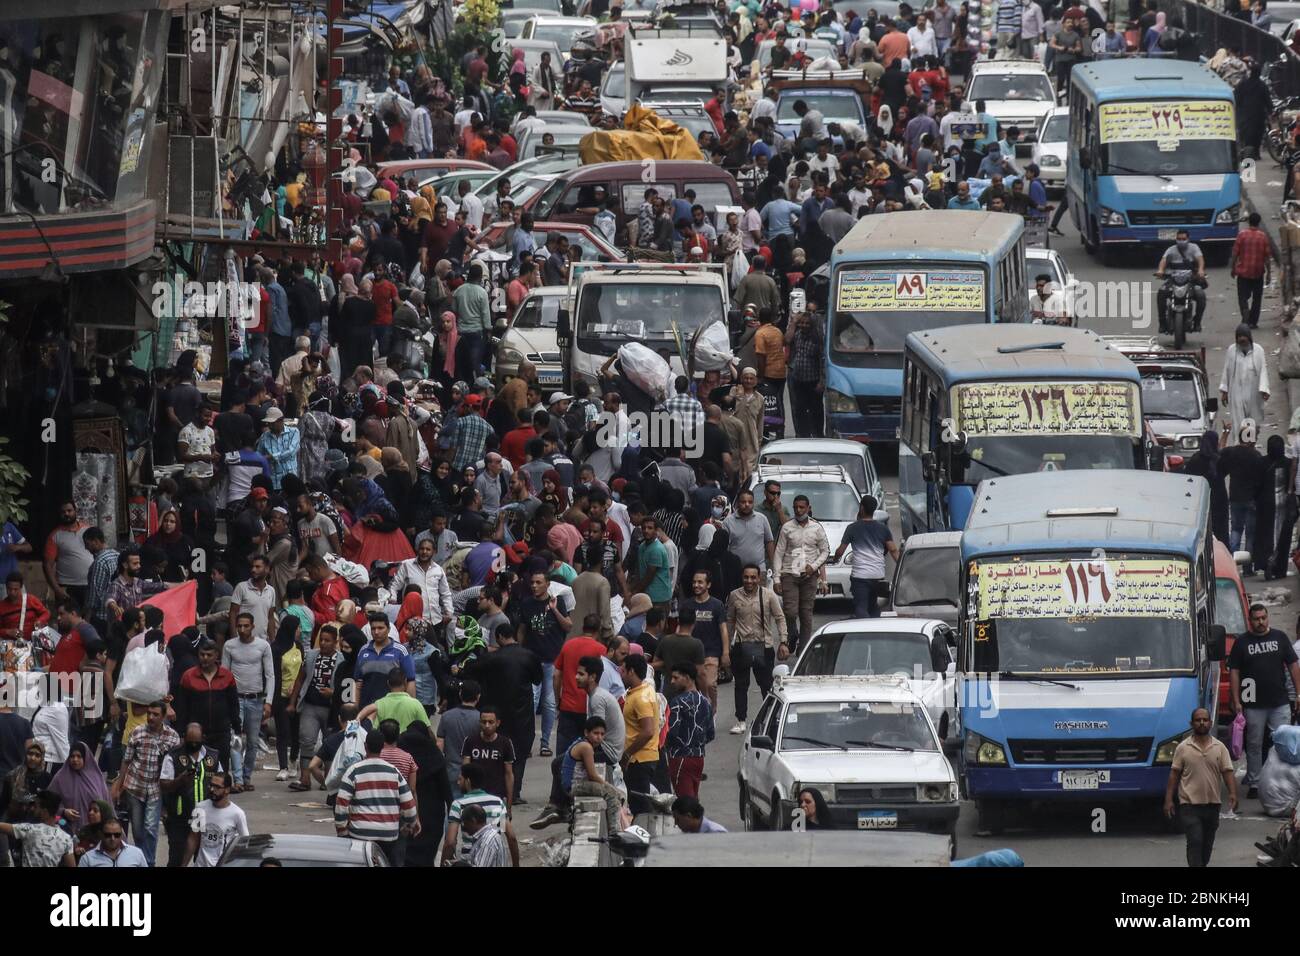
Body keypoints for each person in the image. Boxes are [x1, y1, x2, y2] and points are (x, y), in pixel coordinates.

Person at [1230, 604, 1300, 798]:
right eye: (1256, 619)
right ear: (1250, 620)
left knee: (1283, 743)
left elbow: (1293, 665)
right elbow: (1234, 673)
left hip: (1279, 701)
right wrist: (1236, 701)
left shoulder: (1280, 638)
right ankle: (1254, 782)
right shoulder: (1242, 643)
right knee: (1253, 743)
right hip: (1252, 702)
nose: (1260, 622)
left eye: (1263, 618)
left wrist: (1299, 694)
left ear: (1267, 617)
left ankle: (1281, 780)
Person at [1163, 708, 1237, 868]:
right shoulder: (1183, 748)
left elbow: (1227, 772)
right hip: (1189, 805)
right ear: (1192, 723)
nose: (1202, 723)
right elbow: (1174, 775)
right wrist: (1168, 800)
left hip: (1212, 805)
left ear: (1210, 723)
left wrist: (1232, 794)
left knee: (1206, 846)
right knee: (1195, 840)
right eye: (1198, 720)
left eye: (1205, 720)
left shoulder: (1220, 747)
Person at [334, 730, 419, 866]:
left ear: (365, 746)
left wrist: (342, 832)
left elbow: (340, 805)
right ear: (382, 747)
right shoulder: (393, 772)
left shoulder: (354, 771)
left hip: (360, 835)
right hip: (388, 836)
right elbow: (409, 807)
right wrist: (409, 825)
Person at [112, 701, 179, 867]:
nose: (150, 717)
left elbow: (175, 766)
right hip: (135, 786)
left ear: (163, 717)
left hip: (156, 789)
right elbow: (126, 761)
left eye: (155, 714)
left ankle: (148, 863)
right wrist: (119, 786)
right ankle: (140, 858)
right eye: (149, 713)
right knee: (137, 830)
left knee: (150, 827)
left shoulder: (172, 737)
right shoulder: (137, 732)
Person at [724, 564, 786, 734]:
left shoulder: (768, 595)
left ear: (759, 578)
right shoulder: (734, 596)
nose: (749, 581)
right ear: (742, 578)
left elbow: (780, 618)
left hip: (764, 646)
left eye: (753, 577)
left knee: (767, 685)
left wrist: (783, 641)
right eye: (746, 577)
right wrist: (727, 646)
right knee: (741, 685)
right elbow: (730, 621)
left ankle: (769, 719)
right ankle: (741, 720)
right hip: (741, 646)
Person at [221, 612, 274, 792]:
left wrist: (269, 701)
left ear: (252, 626)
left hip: (256, 699)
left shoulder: (263, 646)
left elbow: (270, 675)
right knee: (236, 739)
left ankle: (246, 776)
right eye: (239, 626)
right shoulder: (229, 646)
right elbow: (224, 673)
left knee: (252, 741)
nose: (242, 630)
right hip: (236, 699)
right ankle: (237, 779)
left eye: (246, 626)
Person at [159, 722, 222, 867]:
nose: (193, 745)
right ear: (184, 738)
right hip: (180, 818)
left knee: (206, 861)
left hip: (207, 818)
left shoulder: (213, 756)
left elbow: (222, 781)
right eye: (190, 742)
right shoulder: (173, 756)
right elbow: (164, 785)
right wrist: (180, 780)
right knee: (177, 859)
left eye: (197, 742)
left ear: (203, 739)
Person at [774, 494, 829, 655]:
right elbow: (778, 553)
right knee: (790, 612)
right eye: (796, 507)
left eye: (802, 507)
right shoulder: (787, 528)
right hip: (789, 573)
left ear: (808, 508)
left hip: (809, 576)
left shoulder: (817, 528)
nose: (798, 510)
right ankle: (792, 634)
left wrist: (814, 567)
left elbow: (825, 551)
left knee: (806, 614)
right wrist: (777, 578)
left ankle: (803, 648)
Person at [441, 763, 518, 866]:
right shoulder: (497, 802)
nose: (458, 782)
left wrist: (443, 863)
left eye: (460, 779)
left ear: (468, 781)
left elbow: (450, 842)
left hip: (469, 861)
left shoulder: (458, 804)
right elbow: (511, 837)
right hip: (494, 858)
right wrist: (516, 864)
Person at [834, 496, 898, 618]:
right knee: (873, 605)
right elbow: (893, 550)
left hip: (860, 577)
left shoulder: (852, 528)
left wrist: (835, 558)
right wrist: (902, 568)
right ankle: (874, 628)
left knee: (861, 606)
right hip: (878, 576)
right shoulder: (883, 529)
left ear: (861, 508)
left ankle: (864, 628)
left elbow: (840, 551)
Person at [619, 653, 661, 815]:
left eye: (623, 671)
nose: (621, 675)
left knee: (640, 807)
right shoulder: (641, 692)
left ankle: (645, 838)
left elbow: (648, 731)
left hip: (640, 759)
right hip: (641, 758)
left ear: (631, 671)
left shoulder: (641, 698)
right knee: (638, 803)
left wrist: (628, 753)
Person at [666, 662, 714, 798]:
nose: (672, 681)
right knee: (693, 797)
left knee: (685, 802)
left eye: (676, 678)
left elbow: (671, 732)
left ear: (687, 678)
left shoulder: (677, 703)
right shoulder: (705, 702)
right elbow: (711, 734)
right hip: (699, 758)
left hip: (679, 757)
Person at [182, 771, 249, 867]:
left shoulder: (237, 814)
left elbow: (245, 842)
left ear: (227, 790)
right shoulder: (200, 808)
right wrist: (184, 864)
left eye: (217, 787)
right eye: (211, 785)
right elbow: (193, 838)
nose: (212, 789)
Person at [1220, 325, 1270, 444]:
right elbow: (1226, 370)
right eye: (1239, 337)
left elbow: (1263, 369)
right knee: (1238, 421)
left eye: (1244, 337)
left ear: (1249, 338)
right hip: (1236, 392)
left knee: (1252, 422)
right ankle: (1239, 446)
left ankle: (1249, 447)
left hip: (1253, 392)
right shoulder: (1232, 350)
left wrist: (1264, 389)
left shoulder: (1258, 350)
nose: (1242, 340)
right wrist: (1224, 391)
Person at [0, 790, 75, 866]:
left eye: (36, 806)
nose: (32, 808)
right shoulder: (66, 839)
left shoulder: (29, 830)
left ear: (44, 812)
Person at [460, 705, 516, 807]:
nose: (487, 725)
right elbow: (465, 771)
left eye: (491, 722)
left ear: (498, 723)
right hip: (474, 798)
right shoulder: (470, 741)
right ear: (479, 722)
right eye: (484, 722)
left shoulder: (505, 743)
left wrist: (509, 804)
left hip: (497, 798)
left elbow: (509, 774)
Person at [1229, 213, 1276, 330]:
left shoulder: (1242, 235)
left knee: (1242, 296)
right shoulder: (1263, 237)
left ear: (1249, 221)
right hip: (1258, 272)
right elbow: (1267, 257)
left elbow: (1235, 253)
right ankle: (1253, 322)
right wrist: (1269, 273)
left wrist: (1233, 267)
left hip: (1243, 272)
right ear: (1259, 222)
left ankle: (1245, 310)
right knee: (1257, 298)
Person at [1155, 229, 1207, 334]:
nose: (1181, 241)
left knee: (1200, 295)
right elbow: (1163, 260)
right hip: (1173, 280)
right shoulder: (1171, 250)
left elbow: (1200, 259)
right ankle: (1162, 323)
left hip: (1190, 280)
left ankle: (1197, 322)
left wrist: (1201, 270)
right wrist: (1160, 270)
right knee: (1161, 292)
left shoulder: (1194, 248)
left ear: (1188, 239)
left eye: (1183, 239)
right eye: (1179, 239)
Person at [77, 817, 147, 867]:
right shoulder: (88, 858)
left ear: (121, 834)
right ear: (101, 834)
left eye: (117, 835)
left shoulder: (136, 853)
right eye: (108, 835)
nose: (112, 838)